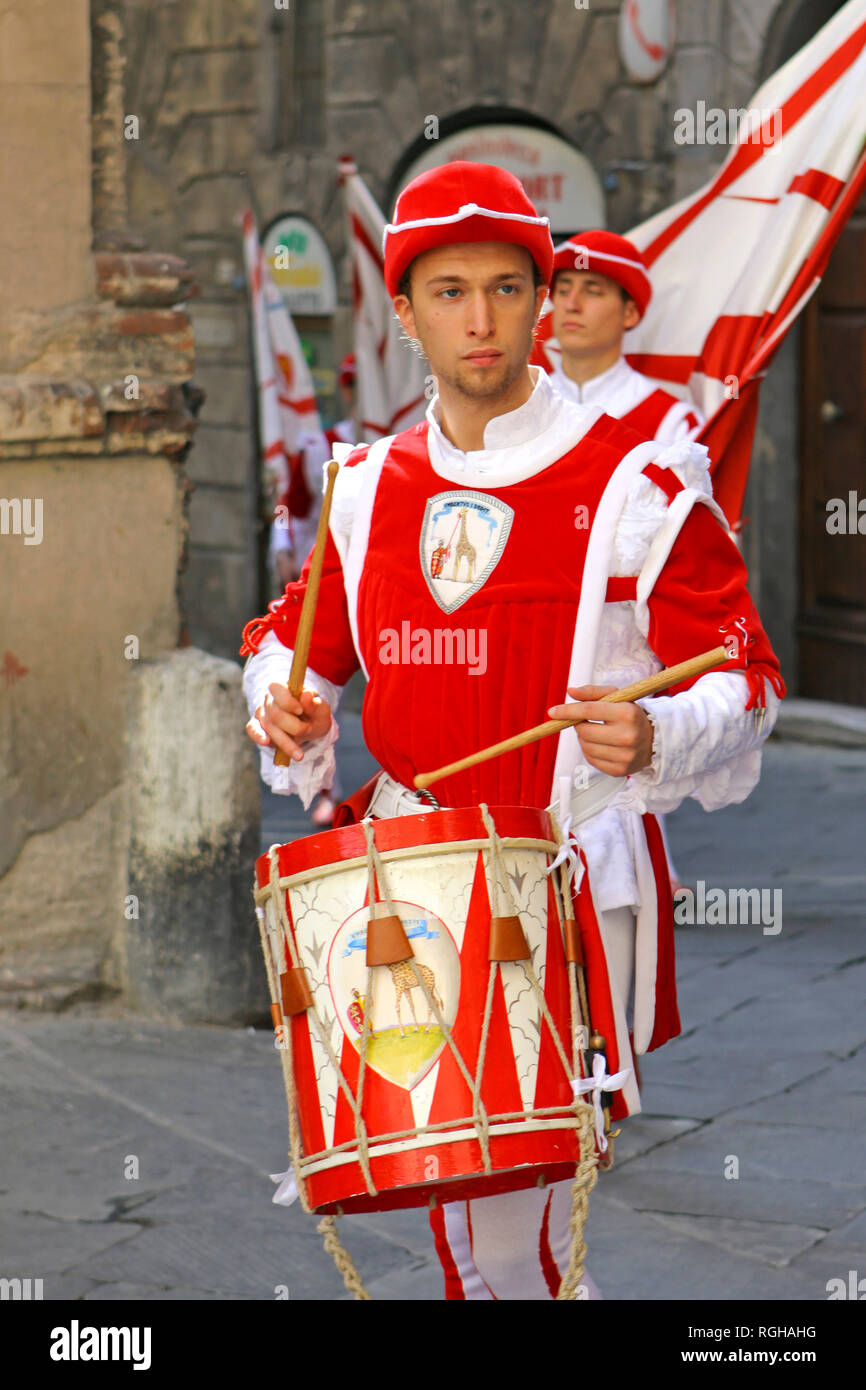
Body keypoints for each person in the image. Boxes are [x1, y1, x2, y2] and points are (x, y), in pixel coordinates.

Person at [240, 162, 784, 1300]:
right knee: (450, 1208)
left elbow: (745, 672)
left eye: (503, 286)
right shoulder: (366, 483)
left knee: (504, 1233)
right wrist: (280, 705)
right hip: (404, 877)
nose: (478, 320)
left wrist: (655, 728)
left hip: (554, 868)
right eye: (446, 291)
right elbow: (295, 642)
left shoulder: (636, 479)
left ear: (543, 297)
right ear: (403, 312)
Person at [267, 353, 357, 824]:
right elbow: (290, 503)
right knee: (315, 688)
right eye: (355, 382)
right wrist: (282, 544)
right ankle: (327, 788)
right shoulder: (323, 444)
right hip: (325, 570)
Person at [548, 230, 702, 445]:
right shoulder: (517, 409)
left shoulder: (672, 424)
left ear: (629, 314)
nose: (571, 305)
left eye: (592, 291)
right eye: (563, 291)